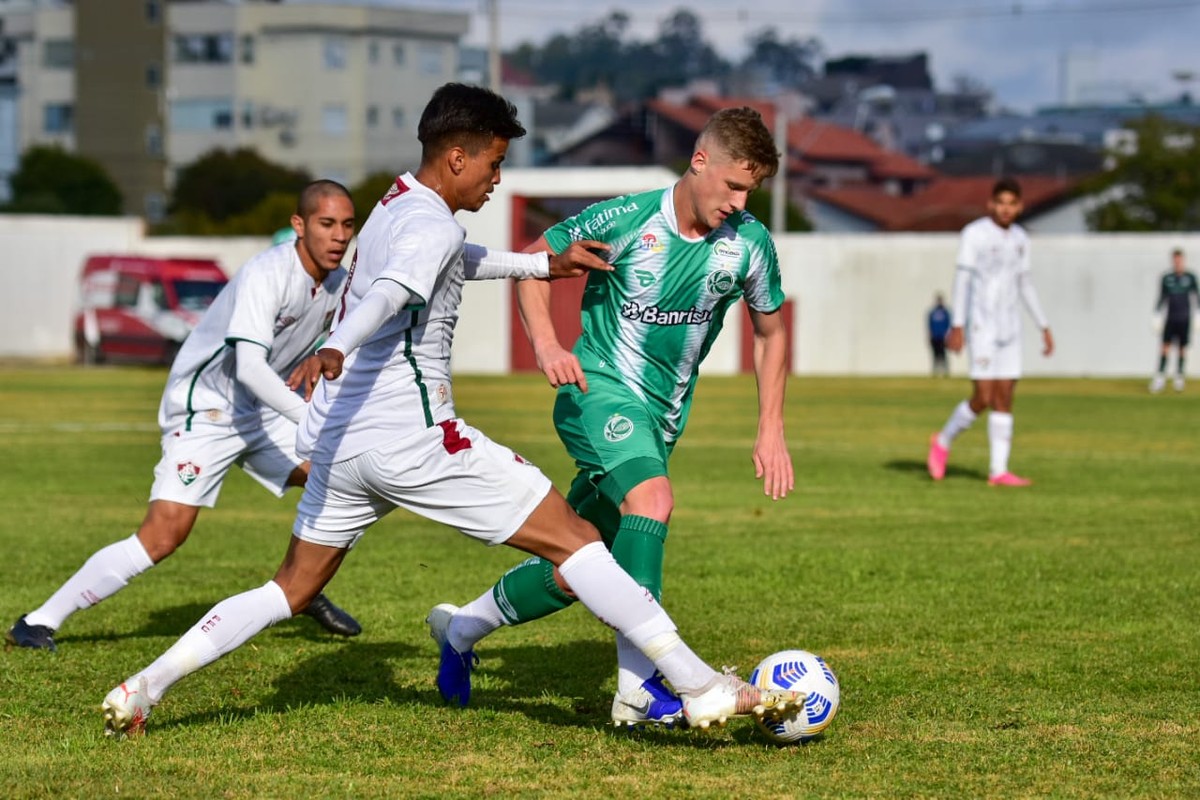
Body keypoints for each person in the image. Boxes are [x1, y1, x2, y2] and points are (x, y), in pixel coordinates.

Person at [99, 83, 802, 738]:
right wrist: (336, 345)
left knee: (289, 588)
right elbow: (389, 295)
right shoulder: (428, 228)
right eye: (493, 164)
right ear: (456, 156)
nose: (497, 179)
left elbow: (451, 259)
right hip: (415, 438)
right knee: (582, 542)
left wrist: (537, 267)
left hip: (342, 445)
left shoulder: (395, 206)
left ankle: (145, 686)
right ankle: (694, 684)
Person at [427, 105, 794, 729]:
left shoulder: (749, 245)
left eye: (750, 189)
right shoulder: (625, 219)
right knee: (651, 500)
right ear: (699, 161)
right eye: (733, 184)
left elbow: (771, 331)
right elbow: (534, 265)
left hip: (660, 419)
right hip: (595, 393)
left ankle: (463, 627)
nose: (739, 201)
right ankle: (642, 687)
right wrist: (547, 345)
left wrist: (771, 425)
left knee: (582, 563)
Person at [6, 181, 362, 653]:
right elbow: (250, 368)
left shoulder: (338, 280)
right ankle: (36, 621)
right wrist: (309, 417)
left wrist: (318, 357)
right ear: (299, 225)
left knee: (341, 480)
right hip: (208, 410)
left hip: (259, 410)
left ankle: (296, 588)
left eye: (347, 225)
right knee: (163, 535)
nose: (339, 235)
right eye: (326, 224)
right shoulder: (267, 274)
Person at [926, 177, 1054, 487]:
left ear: (1019, 207)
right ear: (991, 204)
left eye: (1012, 204)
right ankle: (942, 441)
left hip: (1010, 329)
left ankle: (998, 470)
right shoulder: (975, 234)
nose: (1006, 209)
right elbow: (963, 280)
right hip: (981, 326)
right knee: (982, 397)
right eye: (1001, 203)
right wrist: (958, 325)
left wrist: (1043, 325)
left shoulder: (1021, 239)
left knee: (1005, 397)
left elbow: (1025, 283)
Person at [1149, 247, 1199, 393]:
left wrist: (1198, 314)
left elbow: (1197, 296)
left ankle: (1179, 377)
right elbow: (1161, 297)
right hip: (1170, 318)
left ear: (1183, 260)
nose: (1177, 263)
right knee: (1165, 347)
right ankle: (1160, 378)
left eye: (1180, 260)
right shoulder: (1167, 278)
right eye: (1175, 260)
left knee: (1182, 348)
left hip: (1184, 318)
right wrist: (1156, 315)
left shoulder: (1190, 277)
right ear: (1173, 261)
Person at [928, 292, 951, 377]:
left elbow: (949, 324)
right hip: (935, 337)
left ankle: (945, 371)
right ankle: (935, 371)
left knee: (943, 355)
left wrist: (948, 335)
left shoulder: (945, 312)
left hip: (943, 337)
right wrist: (930, 335)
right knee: (935, 355)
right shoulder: (932, 312)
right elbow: (930, 325)